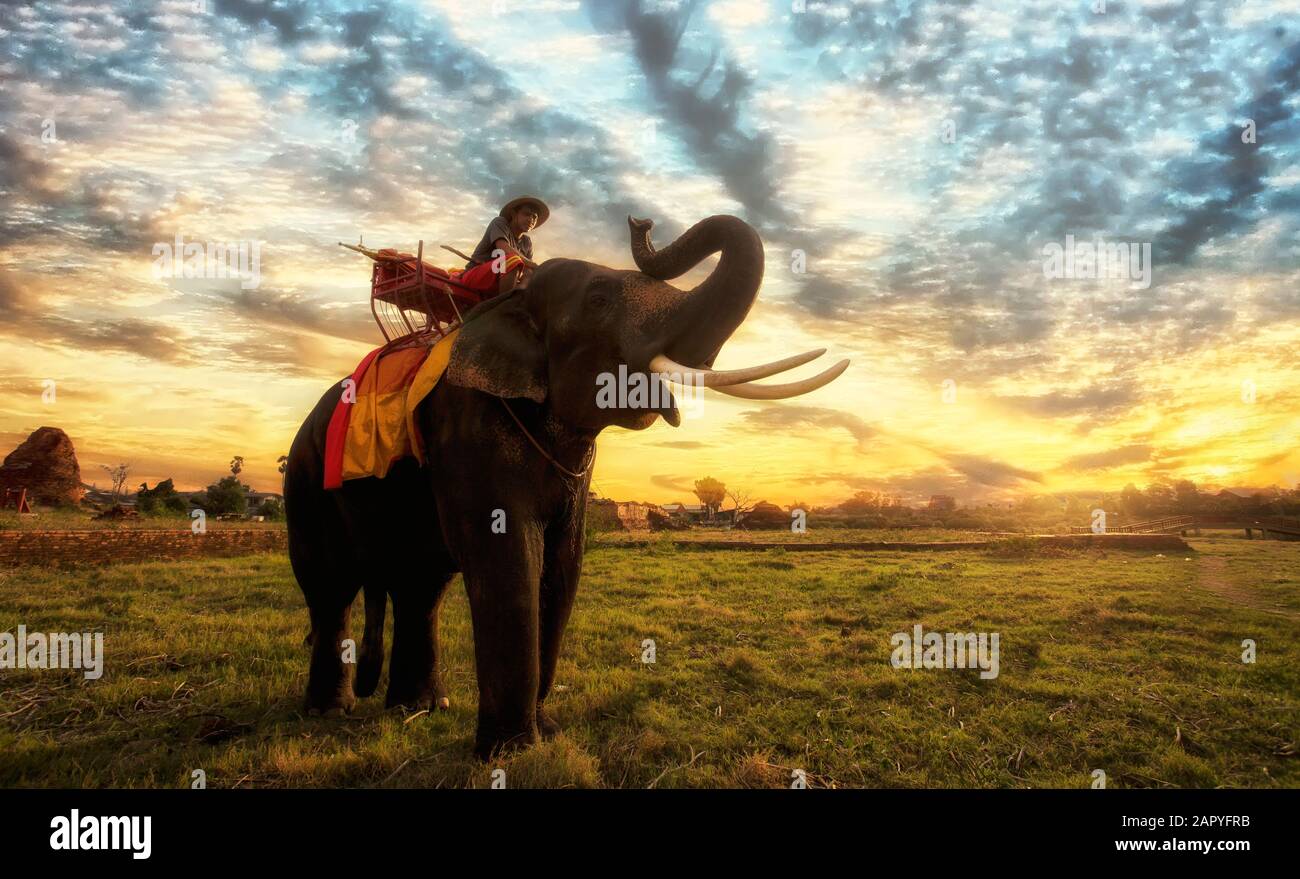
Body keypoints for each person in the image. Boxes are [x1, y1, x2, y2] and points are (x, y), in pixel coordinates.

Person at [456, 196, 549, 298]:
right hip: (475, 275)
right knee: (514, 260)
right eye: (526, 214)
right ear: (513, 214)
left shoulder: (527, 242)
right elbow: (503, 248)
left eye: (534, 217)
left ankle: (516, 298)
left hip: (500, 282)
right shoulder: (500, 223)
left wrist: (524, 284)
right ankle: (504, 304)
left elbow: (528, 270)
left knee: (531, 274)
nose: (531, 219)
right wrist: (534, 264)